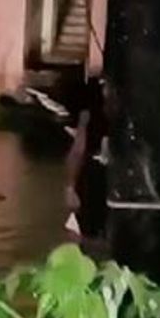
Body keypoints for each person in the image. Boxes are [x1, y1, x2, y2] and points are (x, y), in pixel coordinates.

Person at [65, 76, 109, 259]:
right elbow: (77, 150)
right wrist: (70, 186)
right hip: (96, 177)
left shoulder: (91, 113)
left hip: (102, 177)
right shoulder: (91, 114)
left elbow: (77, 150)